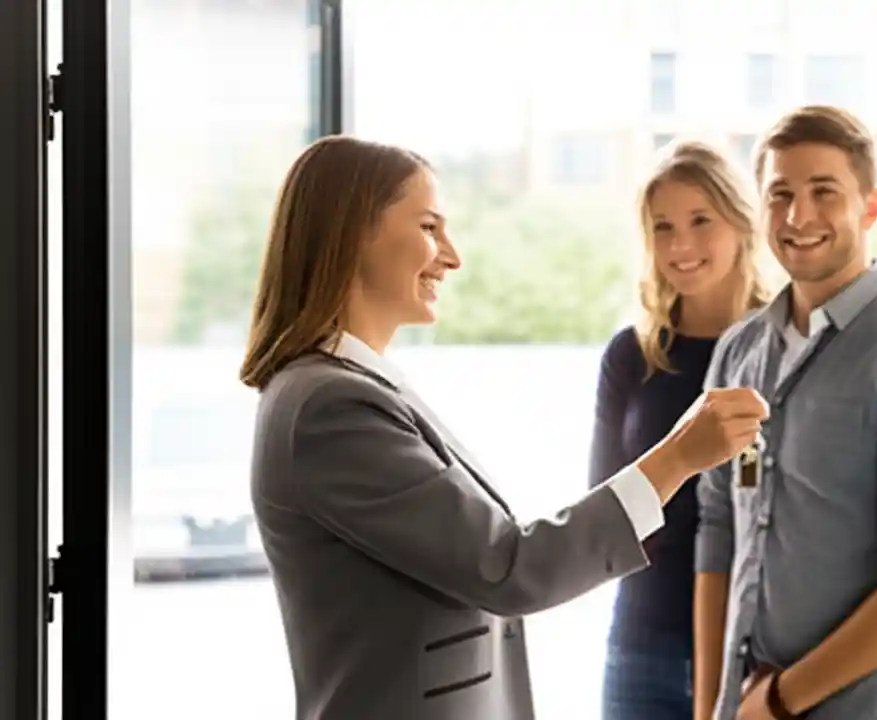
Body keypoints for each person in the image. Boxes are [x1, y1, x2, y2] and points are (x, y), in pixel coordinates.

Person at [238, 135, 769, 720]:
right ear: (353, 232)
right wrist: (678, 456)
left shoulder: (351, 389)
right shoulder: (331, 409)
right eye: (430, 227)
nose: (452, 255)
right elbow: (509, 567)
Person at [693, 106, 877, 720]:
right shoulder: (739, 351)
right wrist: (711, 710)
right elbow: (718, 530)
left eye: (823, 192)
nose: (798, 216)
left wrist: (780, 702)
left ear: (871, 207)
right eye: (780, 194)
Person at [588, 141, 773, 720]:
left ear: (741, 224)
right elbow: (602, 506)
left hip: (759, 647)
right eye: (663, 228)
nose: (681, 245)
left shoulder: (785, 348)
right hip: (643, 641)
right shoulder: (633, 355)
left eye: (700, 221)